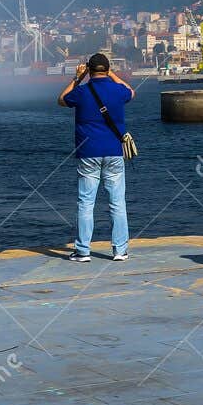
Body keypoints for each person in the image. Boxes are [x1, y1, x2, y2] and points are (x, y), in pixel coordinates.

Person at [57, 53, 135, 261]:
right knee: (117, 203)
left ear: (89, 71)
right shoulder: (118, 90)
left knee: (86, 203)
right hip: (114, 151)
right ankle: (120, 251)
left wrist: (77, 78)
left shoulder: (81, 92)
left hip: (88, 152)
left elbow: (61, 100)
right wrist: (113, 74)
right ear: (107, 70)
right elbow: (131, 92)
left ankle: (83, 251)